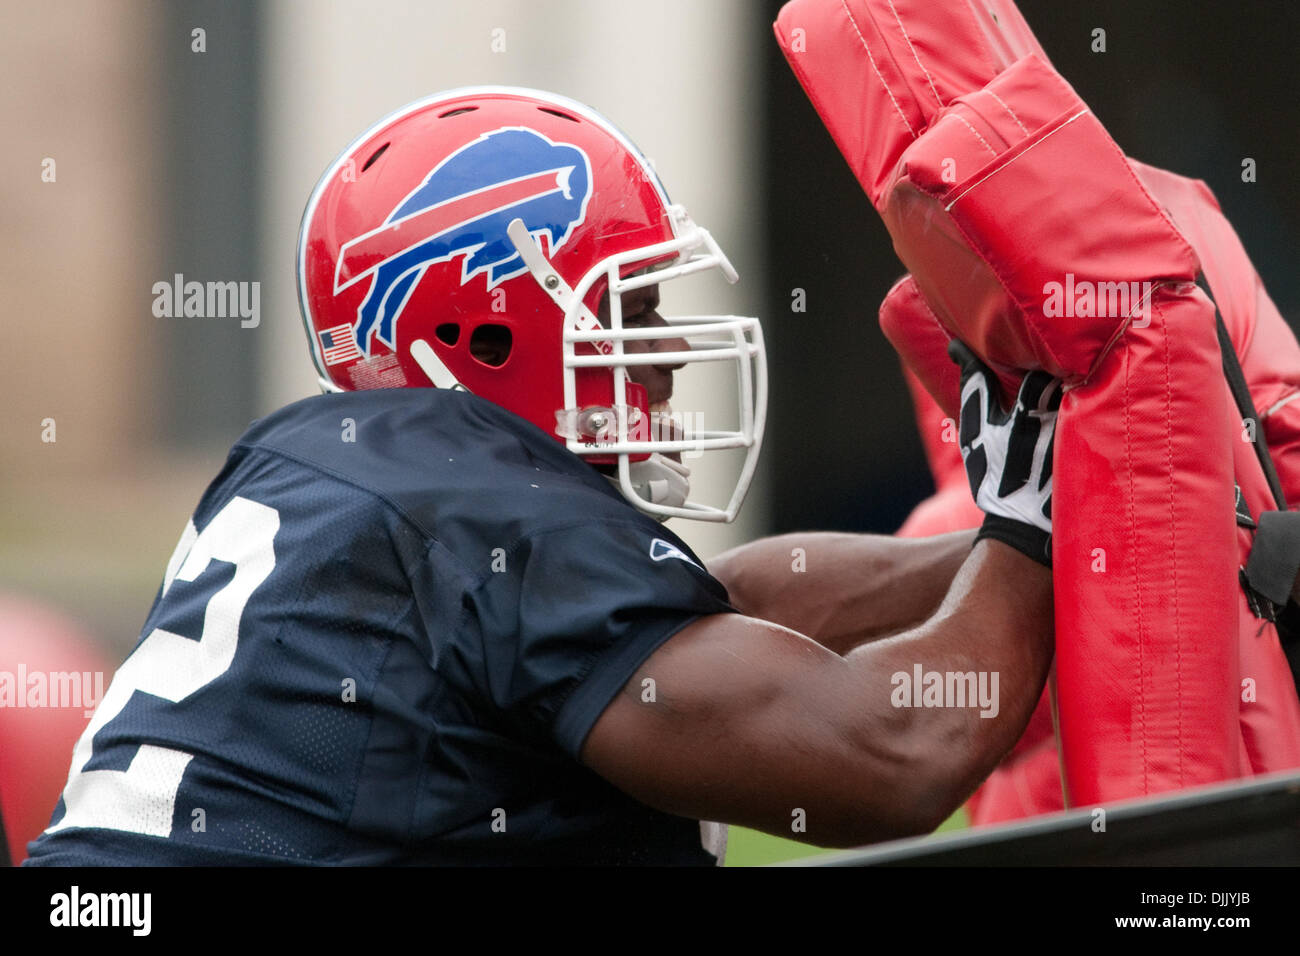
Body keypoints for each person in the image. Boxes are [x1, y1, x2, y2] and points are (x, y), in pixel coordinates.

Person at [25, 87, 1058, 866]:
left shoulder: (346, 472)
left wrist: (981, 552)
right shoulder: (476, 507)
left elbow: (706, 617)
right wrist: (1032, 529)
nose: (663, 354)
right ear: (481, 321)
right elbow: (892, 752)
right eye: (632, 310)